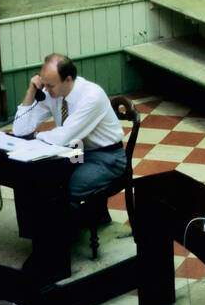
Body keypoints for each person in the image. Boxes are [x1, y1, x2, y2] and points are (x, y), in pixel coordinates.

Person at [11, 54, 127, 211]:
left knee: (67, 188)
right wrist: (31, 92)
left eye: (50, 85)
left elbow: (64, 136)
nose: (45, 90)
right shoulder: (52, 92)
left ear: (68, 79)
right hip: (75, 151)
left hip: (106, 157)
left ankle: (64, 232)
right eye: (43, 84)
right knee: (40, 177)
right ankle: (39, 232)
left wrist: (37, 135)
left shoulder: (92, 96)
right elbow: (19, 130)